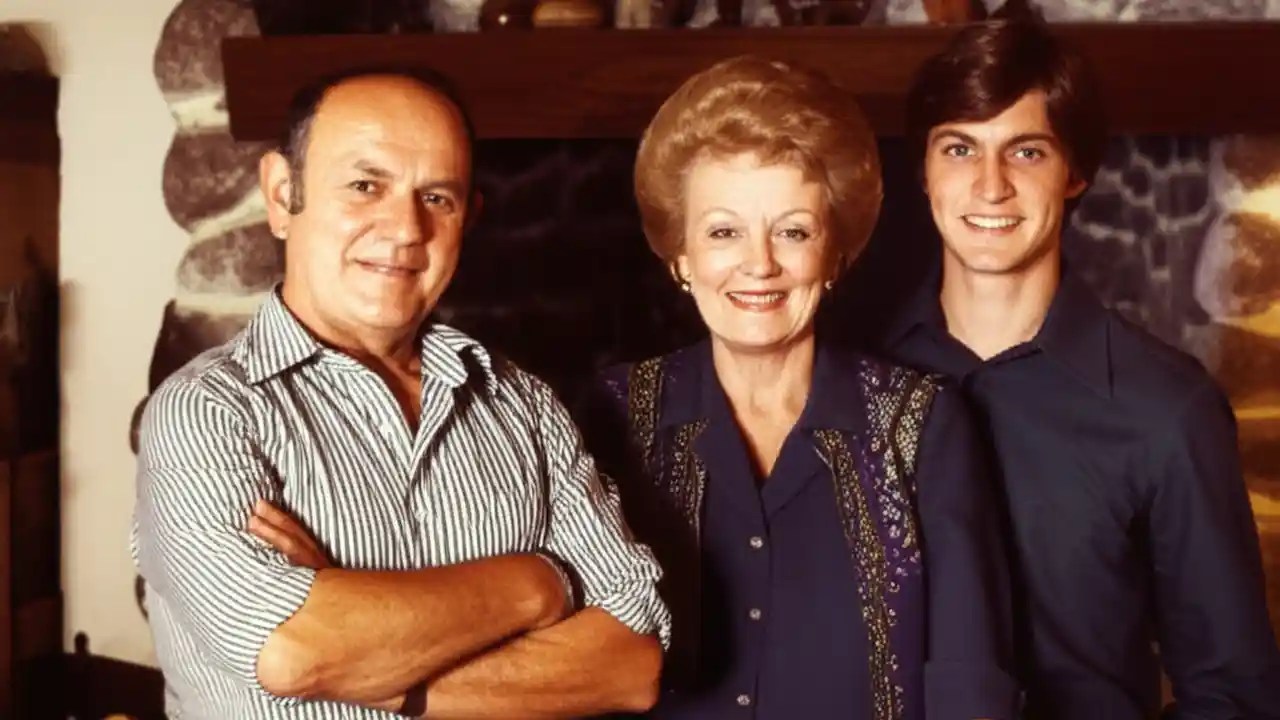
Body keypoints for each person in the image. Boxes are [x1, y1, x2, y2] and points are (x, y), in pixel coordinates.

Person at [131, 67, 671, 719]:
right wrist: (536, 582)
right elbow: (298, 653)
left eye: (437, 197)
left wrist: (372, 659)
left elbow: (632, 663)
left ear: (468, 218)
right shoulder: (206, 414)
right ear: (282, 195)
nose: (407, 229)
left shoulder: (523, 406)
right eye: (365, 186)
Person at [578, 55, 1018, 720]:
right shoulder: (611, 416)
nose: (759, 264)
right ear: (681, 255)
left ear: (833, 253)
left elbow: (971, 683)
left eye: (793, 231)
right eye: (724, 231)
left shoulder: (924, 423)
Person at [877, 15, 1280, 719]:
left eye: (1027, 152)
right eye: (960, 148)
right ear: (925, 168)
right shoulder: (855, 383)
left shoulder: (1167, 409)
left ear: (1076, 172)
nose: (990, 185)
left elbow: (1233, 694)